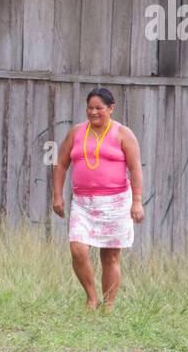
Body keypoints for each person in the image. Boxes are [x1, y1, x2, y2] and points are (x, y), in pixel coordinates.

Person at [51, 87, 145, 310]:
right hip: (83, 203)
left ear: (111, 109)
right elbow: (61, 164)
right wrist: (57, 196)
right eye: (90, 108)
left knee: (110, 256)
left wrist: (137, 201)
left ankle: (108, 304)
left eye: (99, 108)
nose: (93, 112)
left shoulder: (123, 134)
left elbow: (135, 168)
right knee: (78, 249)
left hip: (116, 203)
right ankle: (92, 297)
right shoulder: (76, 132)